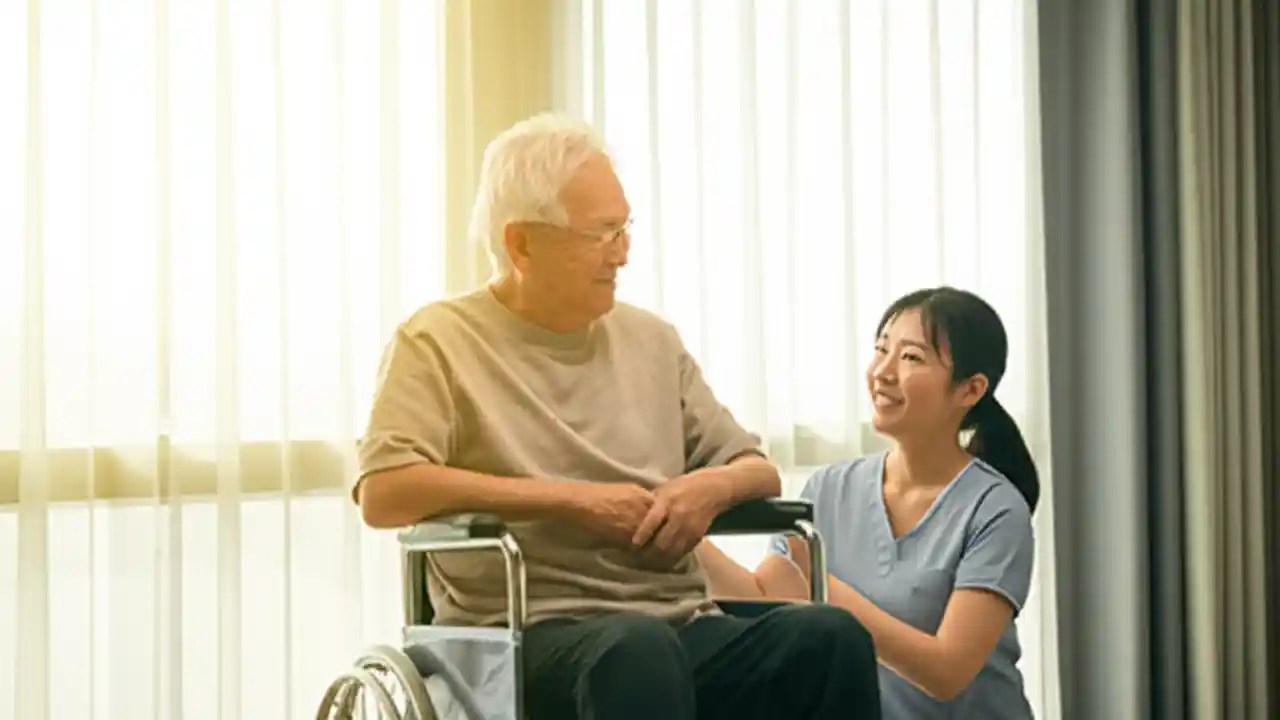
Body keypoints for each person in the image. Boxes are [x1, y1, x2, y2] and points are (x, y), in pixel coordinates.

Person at [352, 112, 881, 720]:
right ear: (522, 242)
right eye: (601, 234)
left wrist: (707, 488)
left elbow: (755, 470)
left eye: (624, 228)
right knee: (636, 651)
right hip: (522, 636)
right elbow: (384, 492)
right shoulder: (437, 341)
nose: (623, 253)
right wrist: (573, 502)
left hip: (678, 622)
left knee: (830, 638)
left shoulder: (652, 341)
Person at [697, 287, 1038, 719]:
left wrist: (820, 581)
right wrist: (682, 533)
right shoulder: (828, 490)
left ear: (969, 390)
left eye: (912, 357)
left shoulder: (995, 509)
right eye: (881, 350)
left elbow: (947, 672)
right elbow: (765, 599)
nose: (883, 372)